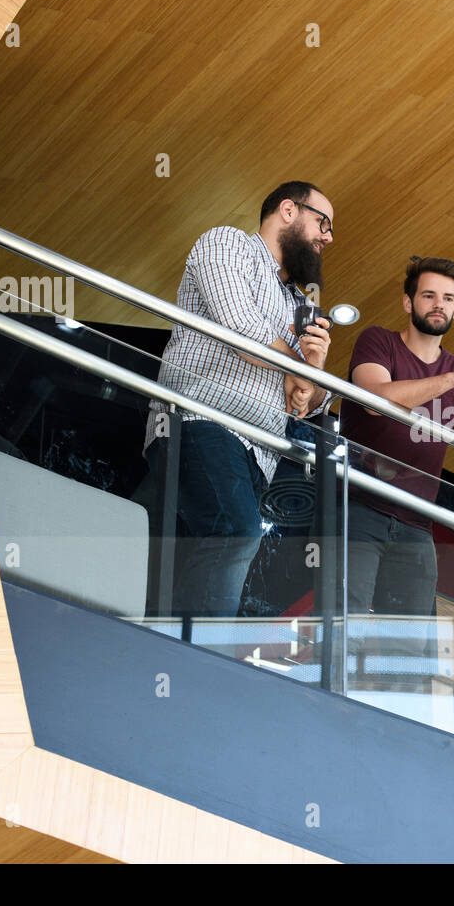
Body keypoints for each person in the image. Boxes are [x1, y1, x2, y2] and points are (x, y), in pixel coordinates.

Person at [143, 181, 335, 616]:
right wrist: (295, 366)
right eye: (322, 223)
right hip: (198, 421)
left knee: (209, 551)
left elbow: (315, 405)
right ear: (288, 210)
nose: (328, 238)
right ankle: (202, 663)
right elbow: (240, 330)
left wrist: (314, 373)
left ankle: (170, 651)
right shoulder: (229, 244)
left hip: (258, 455)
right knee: (236, 532)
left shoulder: (300, 306)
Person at [340, 255, 454, 623]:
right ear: (408, 303)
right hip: (357, 506)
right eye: (429, 295)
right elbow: (377, 401)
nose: (439, 304)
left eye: (448, 298)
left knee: (413, 644)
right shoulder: (379, 341)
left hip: (417, 522)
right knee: (347, 622)